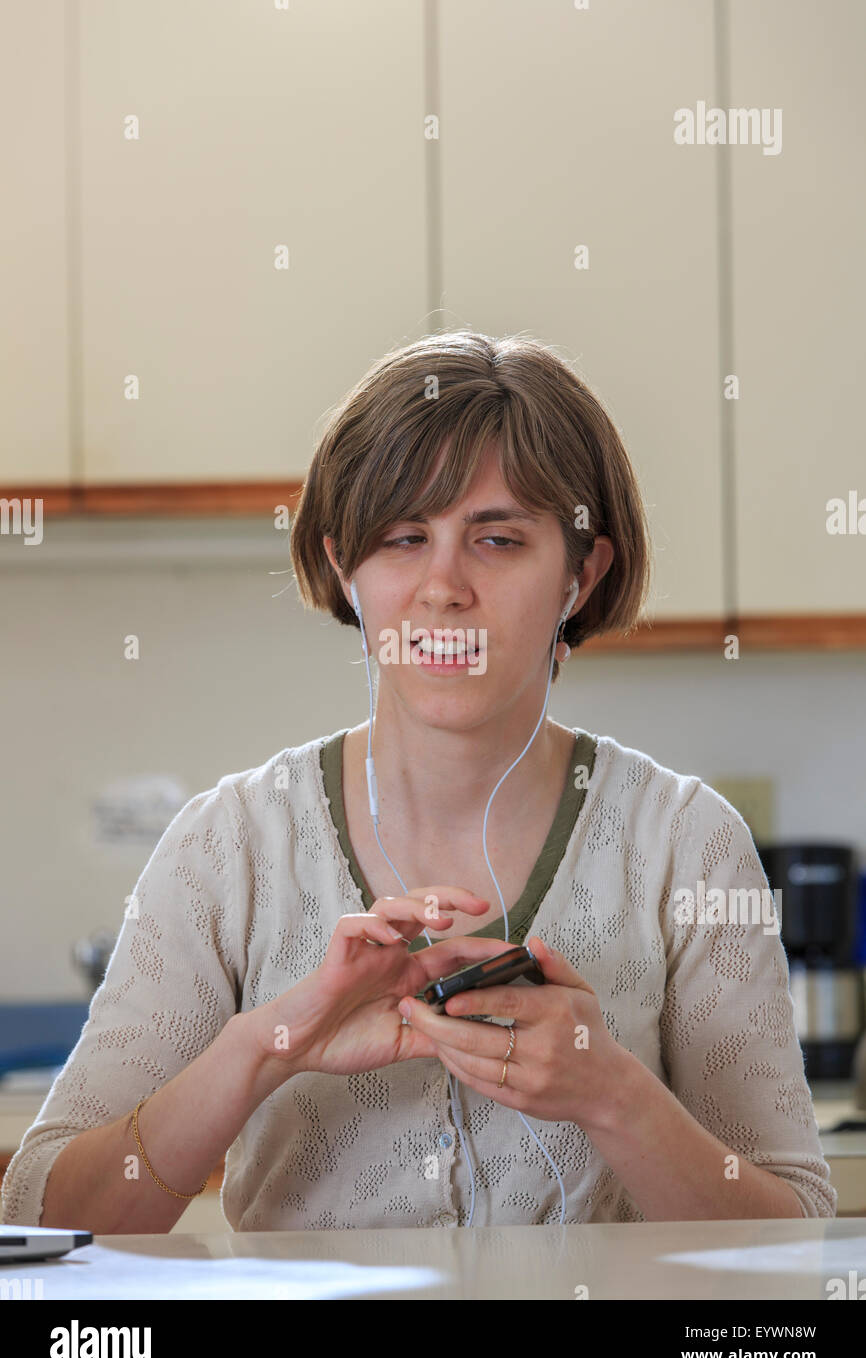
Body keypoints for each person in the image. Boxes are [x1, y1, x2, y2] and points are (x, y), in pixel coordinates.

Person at [2, 332, 836, 1232]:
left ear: (580, 575)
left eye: (499, 539)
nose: (443, 587)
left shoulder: (688, 847)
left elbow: (792, 1241)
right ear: (342, 569)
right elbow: (46, 1216)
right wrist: (264, 1047)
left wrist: (615, 1096)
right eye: (403, 539)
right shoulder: (227, 846)